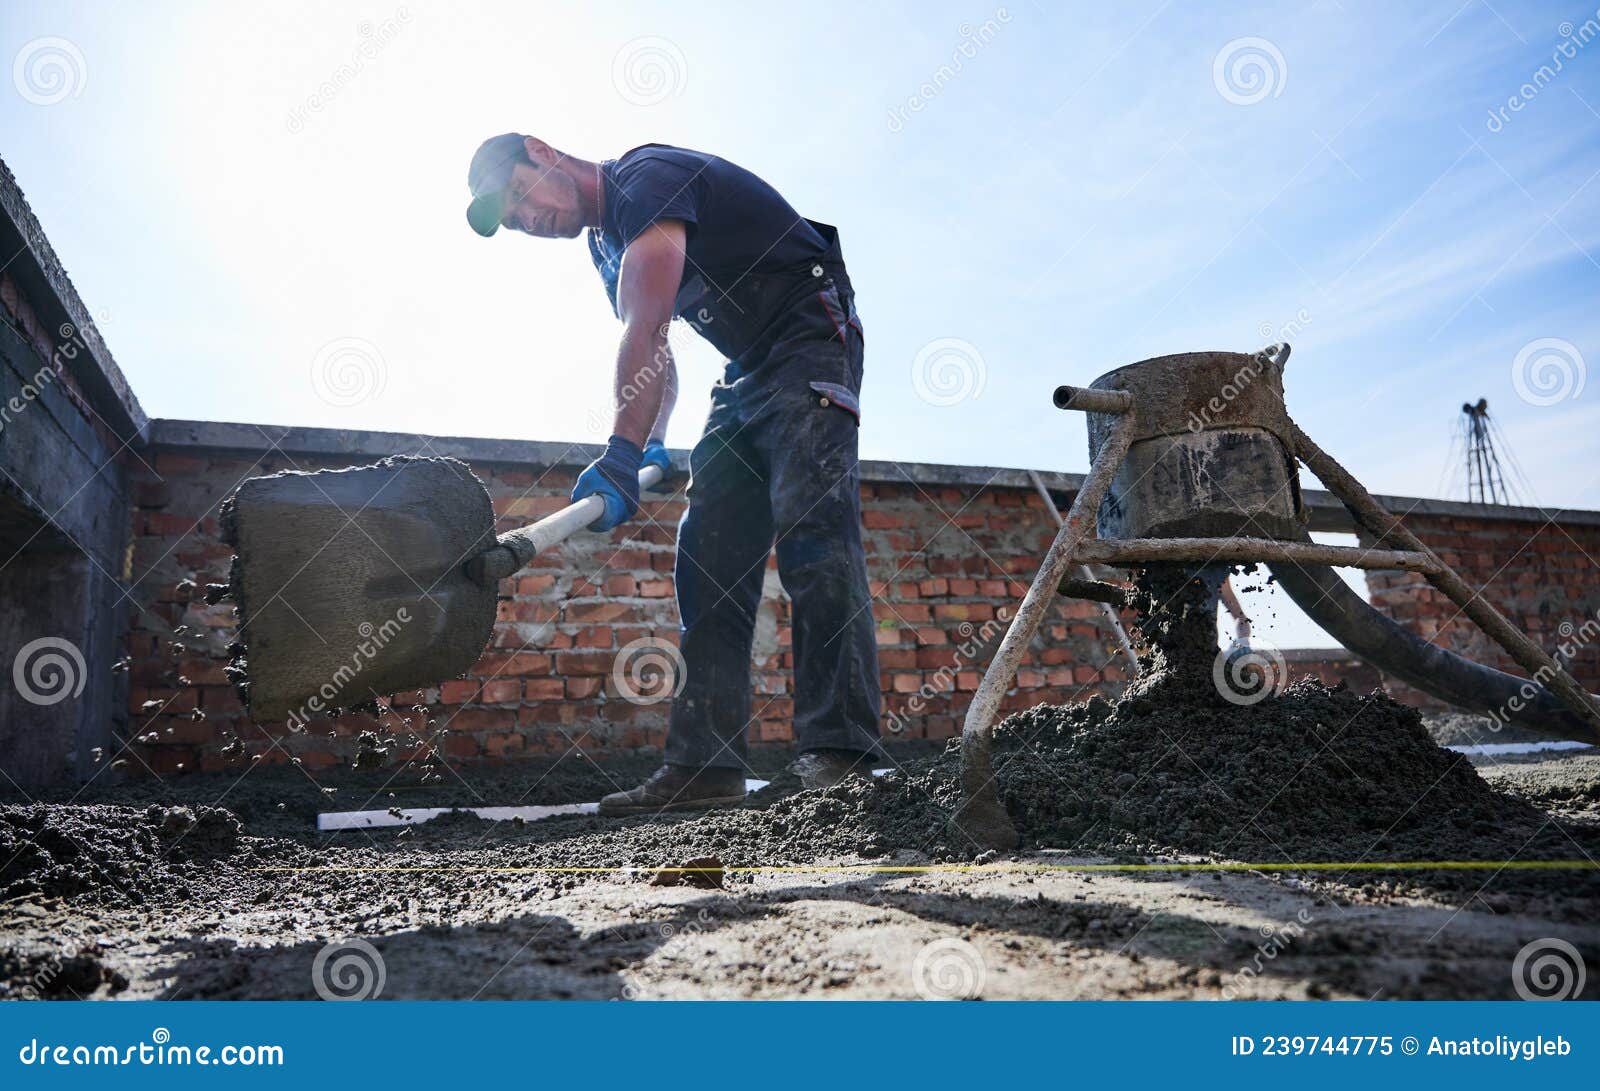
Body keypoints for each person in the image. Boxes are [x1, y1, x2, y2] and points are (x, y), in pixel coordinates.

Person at [465, 135, 883, 814]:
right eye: (513, 221)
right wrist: (654, 441)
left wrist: (622, 451)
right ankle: (706, 766)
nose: (527, 218)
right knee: (708, 561)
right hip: (745, 369)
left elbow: (649, 325)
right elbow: (659, 354)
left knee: (814, 530)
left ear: (542, 153)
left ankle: (840, 755)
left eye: (518, 193)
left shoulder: (644, 181)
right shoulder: (605, 251)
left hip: (808, 327)